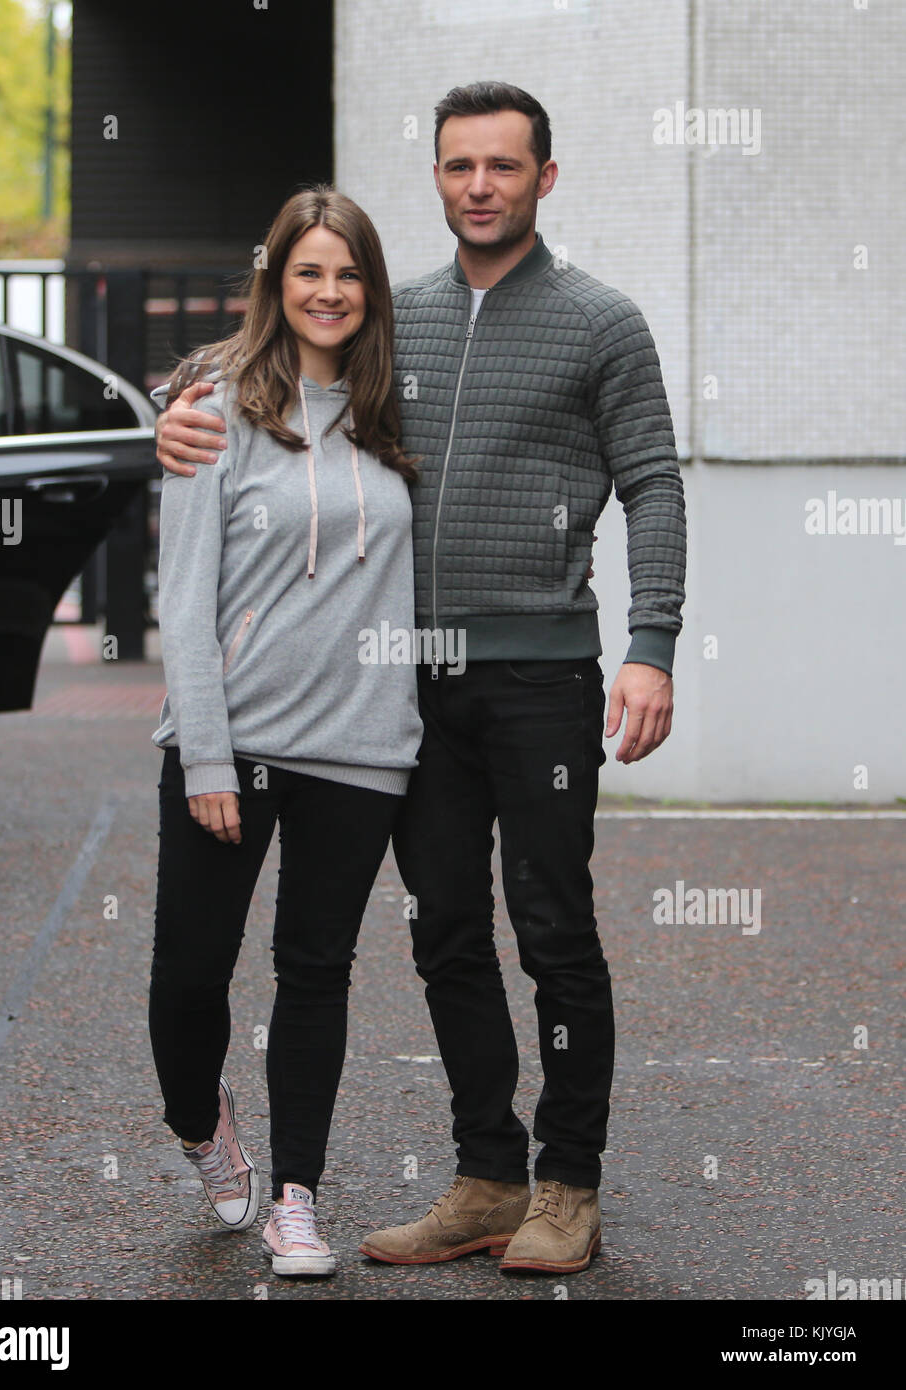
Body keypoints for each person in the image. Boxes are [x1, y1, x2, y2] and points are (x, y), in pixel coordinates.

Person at [156, 82, 687, 1276]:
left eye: (504, 166)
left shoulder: (603, 323)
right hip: (411, 690)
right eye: (459, 166)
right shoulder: (401, 325)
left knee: (553, 928)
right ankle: (487, 1172)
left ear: (544, 178)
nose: (480, 185)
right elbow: (264, 380)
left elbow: (654, 481)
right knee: (444, 929)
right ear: (438, 179)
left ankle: (568, 1181)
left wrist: (652, 644)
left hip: (542, 675)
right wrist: (169, 416)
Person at [148, 185, 422, 1278]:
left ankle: (296, 1198)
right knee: (186, 978)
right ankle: (196, 1122)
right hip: (235, 747)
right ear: (276, 282)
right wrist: (208, 751)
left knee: (316, 970)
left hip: (360, 748)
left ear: (370, 290)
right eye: (308, 270)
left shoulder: (394, 406)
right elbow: (183, 596)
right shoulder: (214, 403)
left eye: (348, 272)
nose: (328, 291)